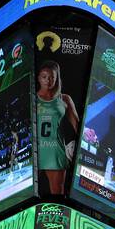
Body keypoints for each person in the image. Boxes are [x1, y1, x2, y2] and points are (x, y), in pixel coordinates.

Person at [35, 61, 79, 196]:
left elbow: (77, 125)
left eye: (52, 77)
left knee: (57, 194)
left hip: (55, 150)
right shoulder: (32, 97)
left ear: (57, 78)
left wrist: (75, 146)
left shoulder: (64, 99)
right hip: (36, 149)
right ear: (38, 77)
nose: (48, 80)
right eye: (44, 76)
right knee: (27, 194)